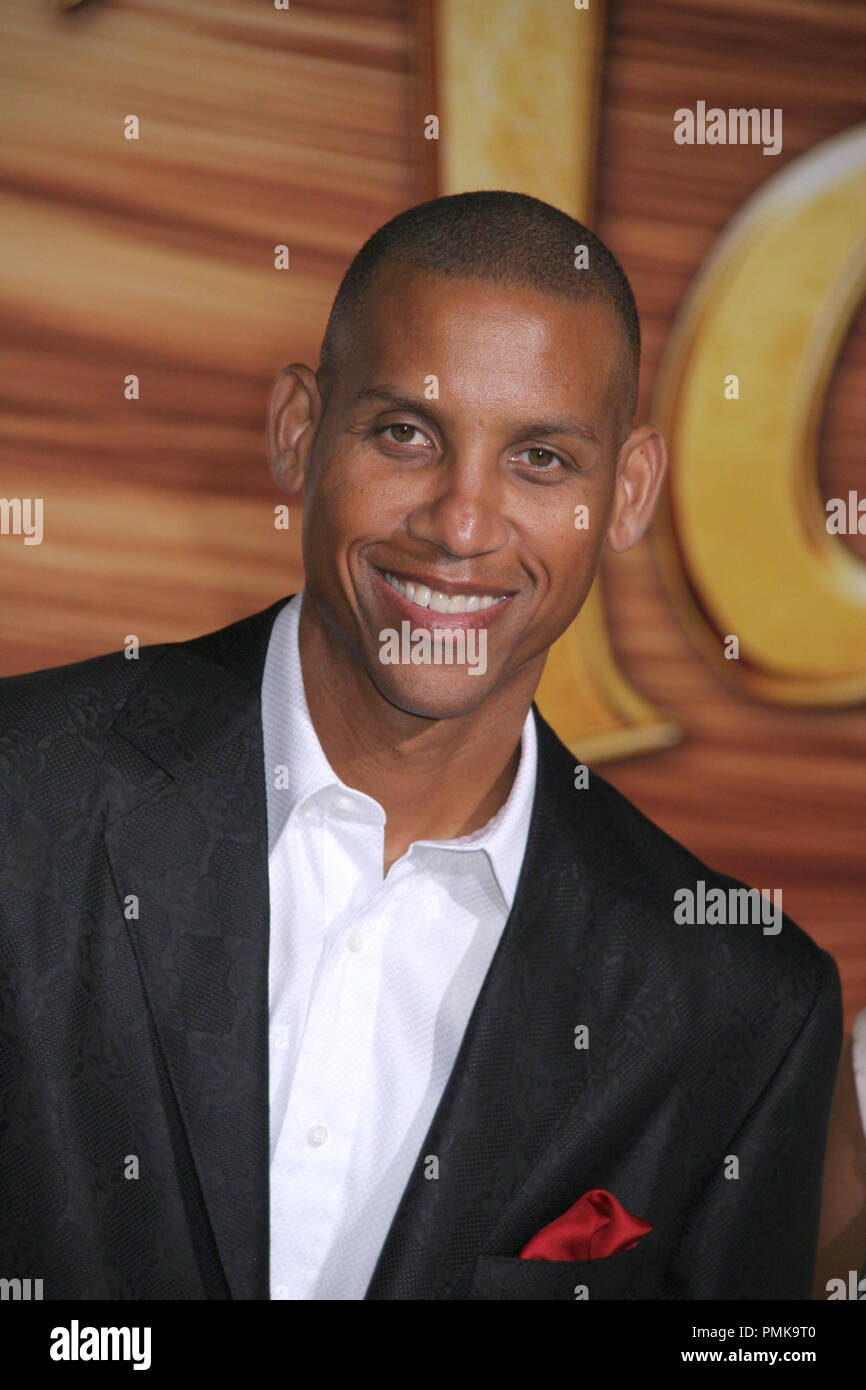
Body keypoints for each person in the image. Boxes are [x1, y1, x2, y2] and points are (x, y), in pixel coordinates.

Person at [0, 192, 841, 1300]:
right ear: (299, 430)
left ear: (626, 493)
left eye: (540, 458)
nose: (459, 521)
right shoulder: (24, 797)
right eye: (406, 434)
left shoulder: (733, 1004)